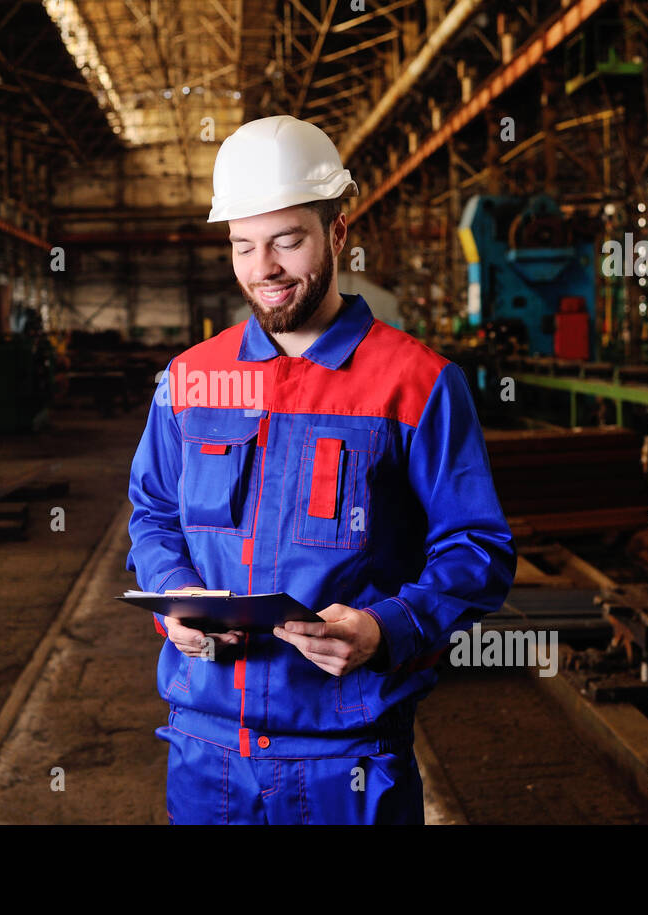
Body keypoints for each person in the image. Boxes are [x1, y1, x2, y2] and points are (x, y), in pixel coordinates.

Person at [126, 115, 515, 825]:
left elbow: (477, 547)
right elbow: (153, 514)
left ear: (338, 232)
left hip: (350, 758)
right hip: (206, 751)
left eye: (287, 240)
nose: (263, 268)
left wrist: (388, 626)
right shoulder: (189, 379)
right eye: (243, 245)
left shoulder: (417, 384)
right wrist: (171, 589)